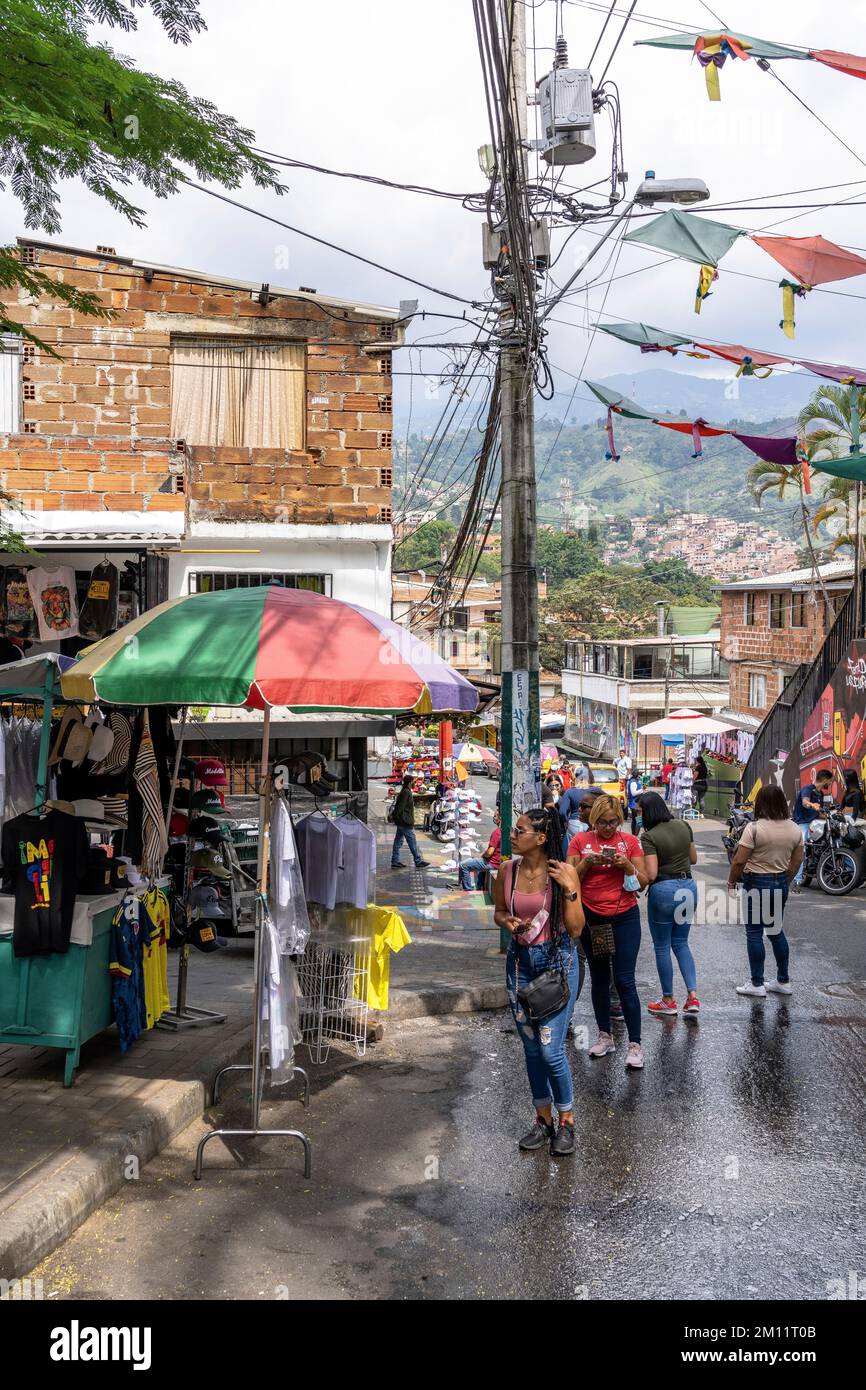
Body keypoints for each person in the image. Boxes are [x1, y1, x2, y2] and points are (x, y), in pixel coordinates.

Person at [494, 806, 585, 1157]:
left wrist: (572, 890)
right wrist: (509, 923)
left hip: (557, 963)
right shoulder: (507, 870)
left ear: (541, 838)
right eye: (514, 830)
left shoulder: (563, 874)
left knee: (550, 1049)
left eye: (520, 831)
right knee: (532, 1050)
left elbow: (576, 930)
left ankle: (567, 1122)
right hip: (520, 966)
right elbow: (499, 912)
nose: (513, 835)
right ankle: (543, 1120)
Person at [568, 793, 648, 1069]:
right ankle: (605, 1036)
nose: (608, 828)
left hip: (624, 916)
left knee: (625, 980)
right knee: (599, 979)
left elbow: (644, 880)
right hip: (592, 919)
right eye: (602, 823)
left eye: (613, 822)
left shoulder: (630, 842)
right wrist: (587, 863)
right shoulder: (580, 841)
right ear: (593, 820)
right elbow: (569, 879)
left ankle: (635, 1044)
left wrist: (627, 866)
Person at [728, 784, 803, 998]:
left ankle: (757, 983)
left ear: (760, 803)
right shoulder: (794, 829)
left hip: (756, 884)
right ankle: (783, 980)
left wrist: (731, 882)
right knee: (775, 931)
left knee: (754, 933)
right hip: (780, 882)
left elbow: (739, 861)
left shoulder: (754, 828)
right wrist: (783, 880)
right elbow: (797, 861)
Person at [639, 791, 700, 1017]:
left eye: (640, 811)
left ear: (648, 811)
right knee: (682, 943)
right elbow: (693, 859)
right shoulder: (684, 825)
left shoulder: (649, 836)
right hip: (688, 888)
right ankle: (693, 998)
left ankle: (668, 1000)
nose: (638, 815)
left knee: (662, 946)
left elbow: (652, 873)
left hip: (664, 890)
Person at [791, 766, 834, 887]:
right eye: (830, 781)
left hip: (814, 824)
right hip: (802, 823)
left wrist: (827, 815)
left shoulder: (819, 793)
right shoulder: (808, 789)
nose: (830, 784)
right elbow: (805, 803)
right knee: (802, 848)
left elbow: (818, 811)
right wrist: (812, 804)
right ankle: (797, 879)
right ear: (825, 780)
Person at [390, 774, 431, 869]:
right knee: (412, 842)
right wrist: (403, 820)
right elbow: (400, 809)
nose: (414, 784)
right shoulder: (406, 793)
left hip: (402, 823)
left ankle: (395, 861)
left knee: (398, 842)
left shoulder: (405, 791)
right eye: (413, 782)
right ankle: (418, 861)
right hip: (405, 823)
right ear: (409, 782)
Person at [459, 810, 502, 891]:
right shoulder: (507, 831)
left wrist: (483, 856)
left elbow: (489, 852)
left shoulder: (497, 833)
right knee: (478, 863)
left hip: (492, 863)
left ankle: (468, 889)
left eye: (495, 816)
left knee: (463, 865)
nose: (494, 818)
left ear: (500, 818)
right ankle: (480, 887)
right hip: (497, 862)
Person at [626, 768, 643, 835]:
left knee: (634, 820)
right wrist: (641, 790)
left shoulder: (634, 781)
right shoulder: (633, 782)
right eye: (639, 774)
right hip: (635, 804)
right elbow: (633, 793)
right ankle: (635, 835)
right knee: (638, 821)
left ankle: (634, 835)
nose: (640, 776)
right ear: (637, 775)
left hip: (634, 803)